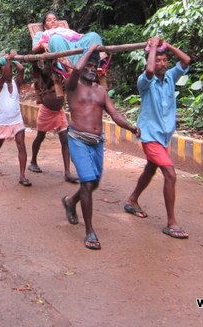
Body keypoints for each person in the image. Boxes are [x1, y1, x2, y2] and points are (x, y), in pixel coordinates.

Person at [61, 43, 139, 251]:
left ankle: (70, 201)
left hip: (96, 142)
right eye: (88, 65)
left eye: (94, 66)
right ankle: (90, 231)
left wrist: (131, 127)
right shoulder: (72, 86)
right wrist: (90, 50)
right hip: (77, 139)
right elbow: (76, 69)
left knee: (93, 183)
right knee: (87, 184)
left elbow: (115, 114)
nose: (90, 69)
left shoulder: (101, 91)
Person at [124, 36, 191, 239]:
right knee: (170, 174)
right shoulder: (145, 81)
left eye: (164, 60)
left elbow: (186, 60)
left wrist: (164, 44)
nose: (161, 64)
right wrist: (153, 47)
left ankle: (132, 199)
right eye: (157, 60)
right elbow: (151, 71)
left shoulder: (171, 76)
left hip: (164, 135)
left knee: (151, 168)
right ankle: (171, 223)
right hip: (150, 134)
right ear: (150, 61)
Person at [28, 64, 79, 183]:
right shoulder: (42, 77)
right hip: (46, 111)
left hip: (59, 112)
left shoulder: (62, 74)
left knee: (65, 140)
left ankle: (67, 172)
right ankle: (33, 161)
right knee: (40, 137)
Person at [0, 52, 32, 186]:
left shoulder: (16, 83)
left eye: (8, 68)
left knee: (21, 145)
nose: (7, 71)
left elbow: (22, 69)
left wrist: (13, 60)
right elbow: (5, 75)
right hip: (3, 121)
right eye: (4, 68)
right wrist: (8, 60)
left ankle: (22, 176)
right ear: (1, 70)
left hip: (17, 120)